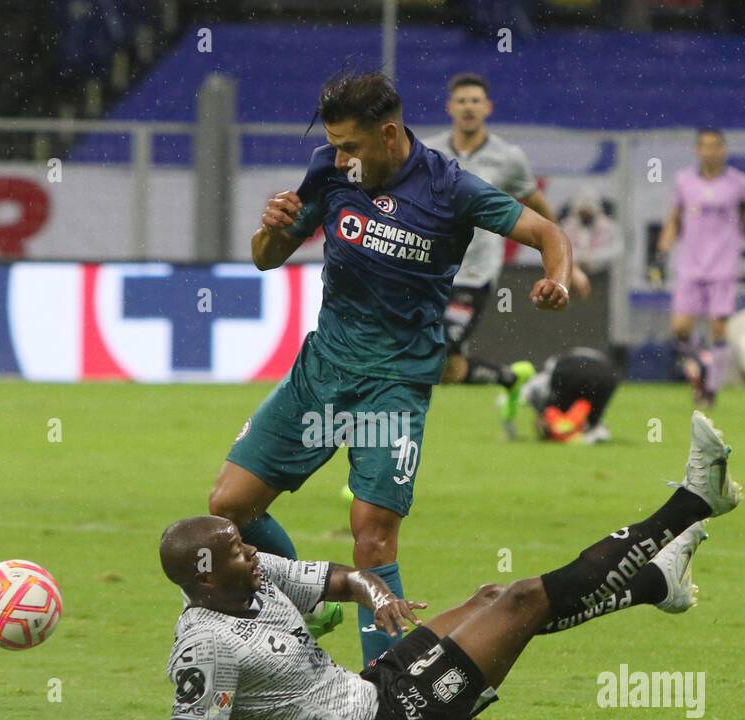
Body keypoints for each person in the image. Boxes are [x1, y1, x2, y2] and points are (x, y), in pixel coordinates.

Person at [209, 68, 588, 667]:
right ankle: (311, 600)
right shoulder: (330, 170)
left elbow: (548, 231)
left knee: (372, 532)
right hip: (322, 369)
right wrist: (272, 227)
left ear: (389, 135)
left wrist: (557, 280)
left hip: (394, 383)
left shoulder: (451, 188)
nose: (340, 157)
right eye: (334, 145)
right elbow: (267, 258)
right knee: (230, 506)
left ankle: (383, 694)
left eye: (350, 146)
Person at [164, 411, 742, 720]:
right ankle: (692, 503)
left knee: (494, 597)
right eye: (239, 551)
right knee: (520, 602)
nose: (253, 553)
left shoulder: (253, 577)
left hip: (373, 690)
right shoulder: (204, 646)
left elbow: (341, 577)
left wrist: (374, 592)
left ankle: (655, 583)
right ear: (207, 578)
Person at [423, 73, 585, 438]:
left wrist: (563, 262)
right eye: (461, 100)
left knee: (435, 349)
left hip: (475, 273)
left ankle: (386, 450)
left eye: (475, 100)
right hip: (429, 270)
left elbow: (537, 206)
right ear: (450, 107)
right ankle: (512, 379)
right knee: (448, 370)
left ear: (488, 108)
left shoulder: (508, 158)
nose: (468, 107)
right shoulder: (428, 153)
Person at [651, 129, 745, 407]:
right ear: (697, 151)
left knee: (718, 328)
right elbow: (674, 220)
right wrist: (661, 253)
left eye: (716, 146)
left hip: (724, 266)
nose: (710, 151)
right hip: (690, 265)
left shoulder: (738, 183)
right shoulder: (684, 182)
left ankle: (710, 388)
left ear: (724, 150)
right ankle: (702, 366)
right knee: (680, 328)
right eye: (705, 146)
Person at [522, 347, 618, 444]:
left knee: (558, 410)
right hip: (608, 375)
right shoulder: (583, 359)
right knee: (592, 416)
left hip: (571, 371)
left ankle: (560, 430)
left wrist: (544, 413)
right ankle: (594, 429)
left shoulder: (552, 372)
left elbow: (549, 389)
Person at [560, 189, 623, 277]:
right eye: (583, 212)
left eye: (588, 211)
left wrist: (592, 258)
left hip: (603, 274)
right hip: (574, 273)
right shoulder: (568, 226)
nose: (586, 215)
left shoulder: (608, 227)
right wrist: (579, 257)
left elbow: (617, 249)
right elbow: (562, 249)